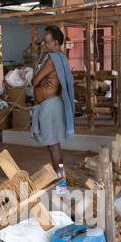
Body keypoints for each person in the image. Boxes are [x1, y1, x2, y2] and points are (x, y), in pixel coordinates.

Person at [28, 25, 75, 170]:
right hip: (51, 105)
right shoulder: (60, 58)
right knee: (54, 146)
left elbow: (34, 81)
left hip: (51, 106)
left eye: (46, 41)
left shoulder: (52, 59)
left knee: (54, 147)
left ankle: (60, 184)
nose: (44, 44)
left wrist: (39, 80)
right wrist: (42, 80)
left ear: (55, 42)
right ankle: (60, 181)